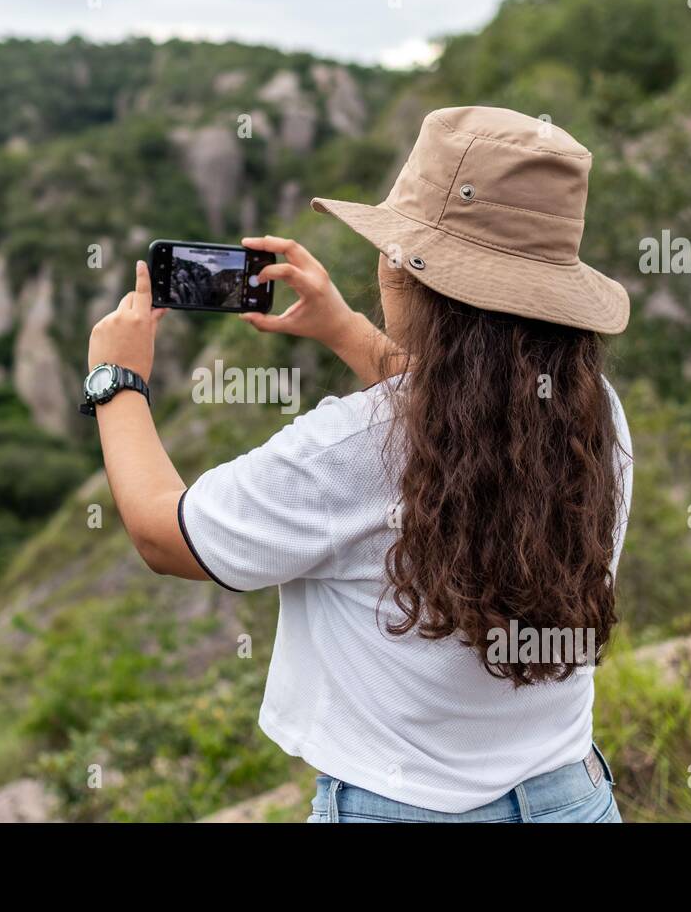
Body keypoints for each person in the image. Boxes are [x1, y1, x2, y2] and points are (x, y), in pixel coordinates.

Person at [81, 106, 633, 823]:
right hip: (574, 799)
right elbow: (468, 405)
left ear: (410, 272)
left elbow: (165, 534)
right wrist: (342, 328)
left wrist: (116, 382)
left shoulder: (351, 447)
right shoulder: (591, 412)